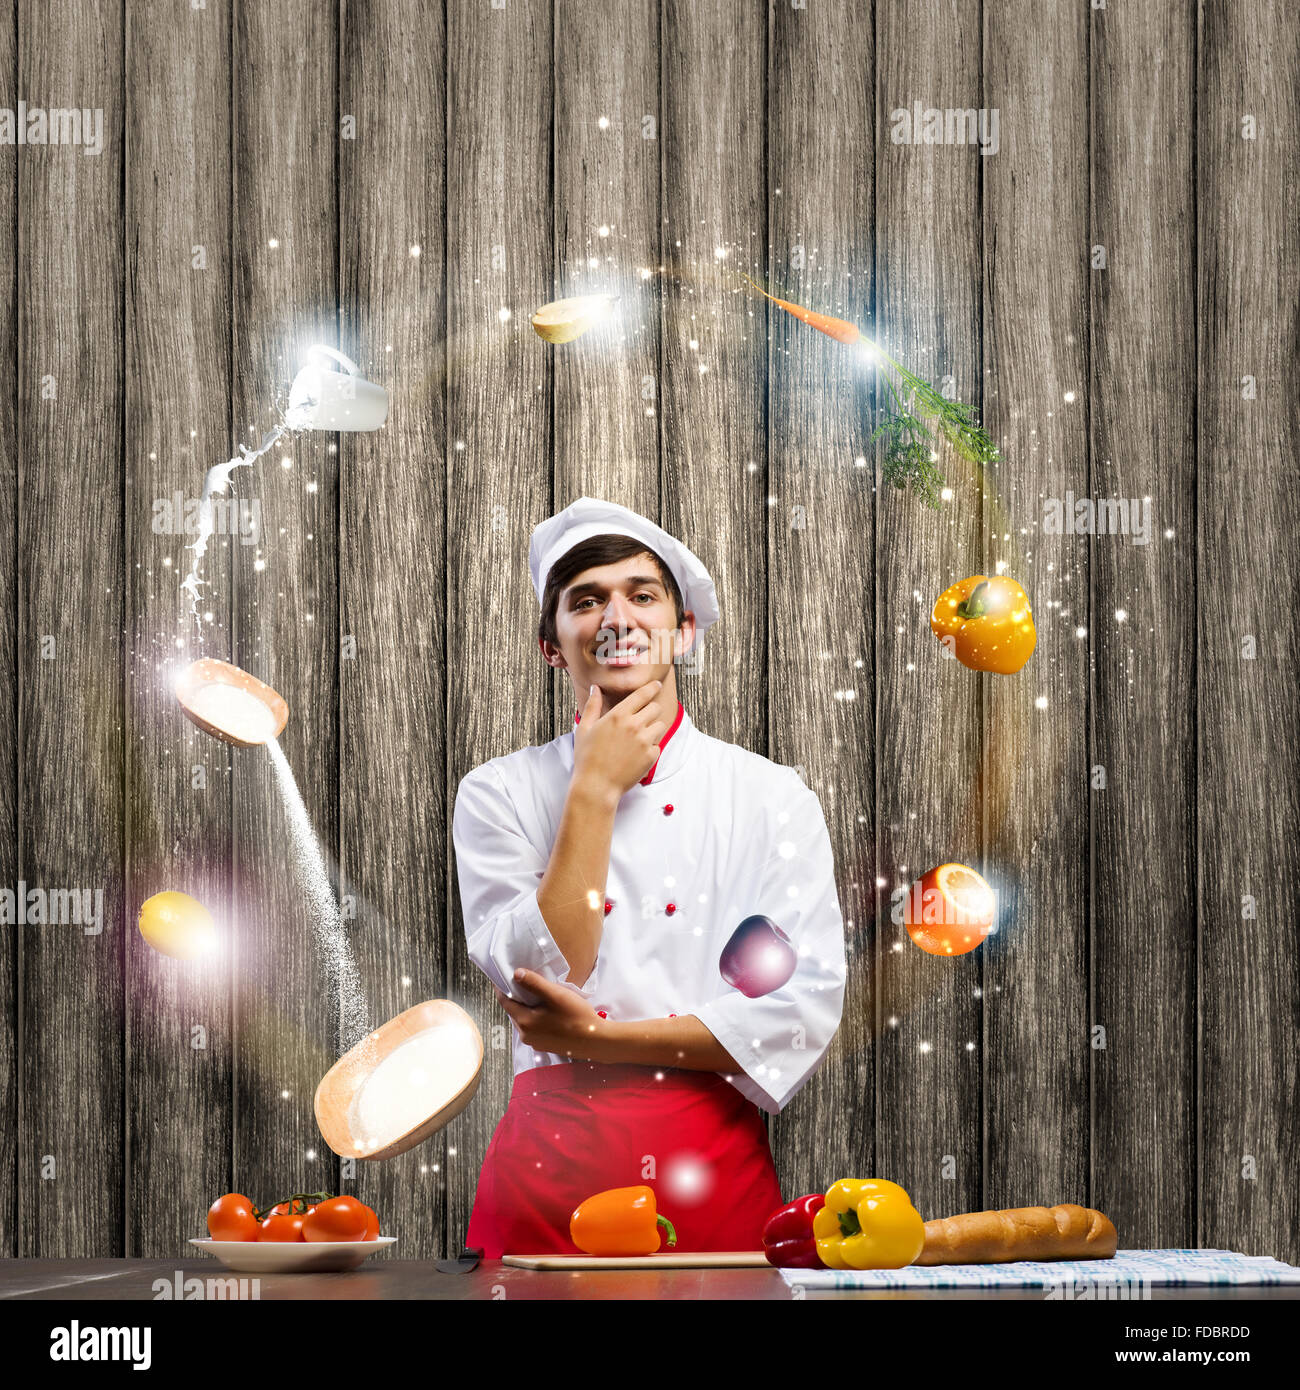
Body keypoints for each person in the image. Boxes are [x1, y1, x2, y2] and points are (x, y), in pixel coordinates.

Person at [453, 497, 846, 1256]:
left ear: (683, 629)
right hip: (546, 1177)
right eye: (586, 599)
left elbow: (803, 1010)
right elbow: (540, 971)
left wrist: (598, 1038)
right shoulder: (498, 792)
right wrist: (595, 790)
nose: (617, 616)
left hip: (712, 1169)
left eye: (642, 594)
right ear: (551, 643)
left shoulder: (771, 796)